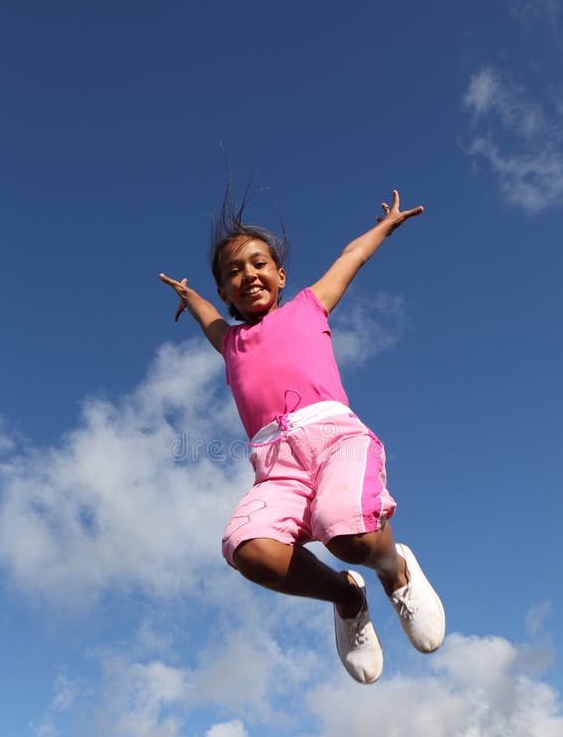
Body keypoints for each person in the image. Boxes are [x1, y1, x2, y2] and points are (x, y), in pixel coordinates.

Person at [159, 188, 445, 684]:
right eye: (234, 272)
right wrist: (190, 296)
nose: (249, 274)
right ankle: (346, 597)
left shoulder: (309, 307)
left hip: (335, 440)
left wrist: (384, 227)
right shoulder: (230, 343)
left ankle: (395, 571)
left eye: (259, 264)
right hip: (277, 467)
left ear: (280, 276)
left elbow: (350, 257)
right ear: (226, 293)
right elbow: (208, 319)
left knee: (349, 533)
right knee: (248, 549)